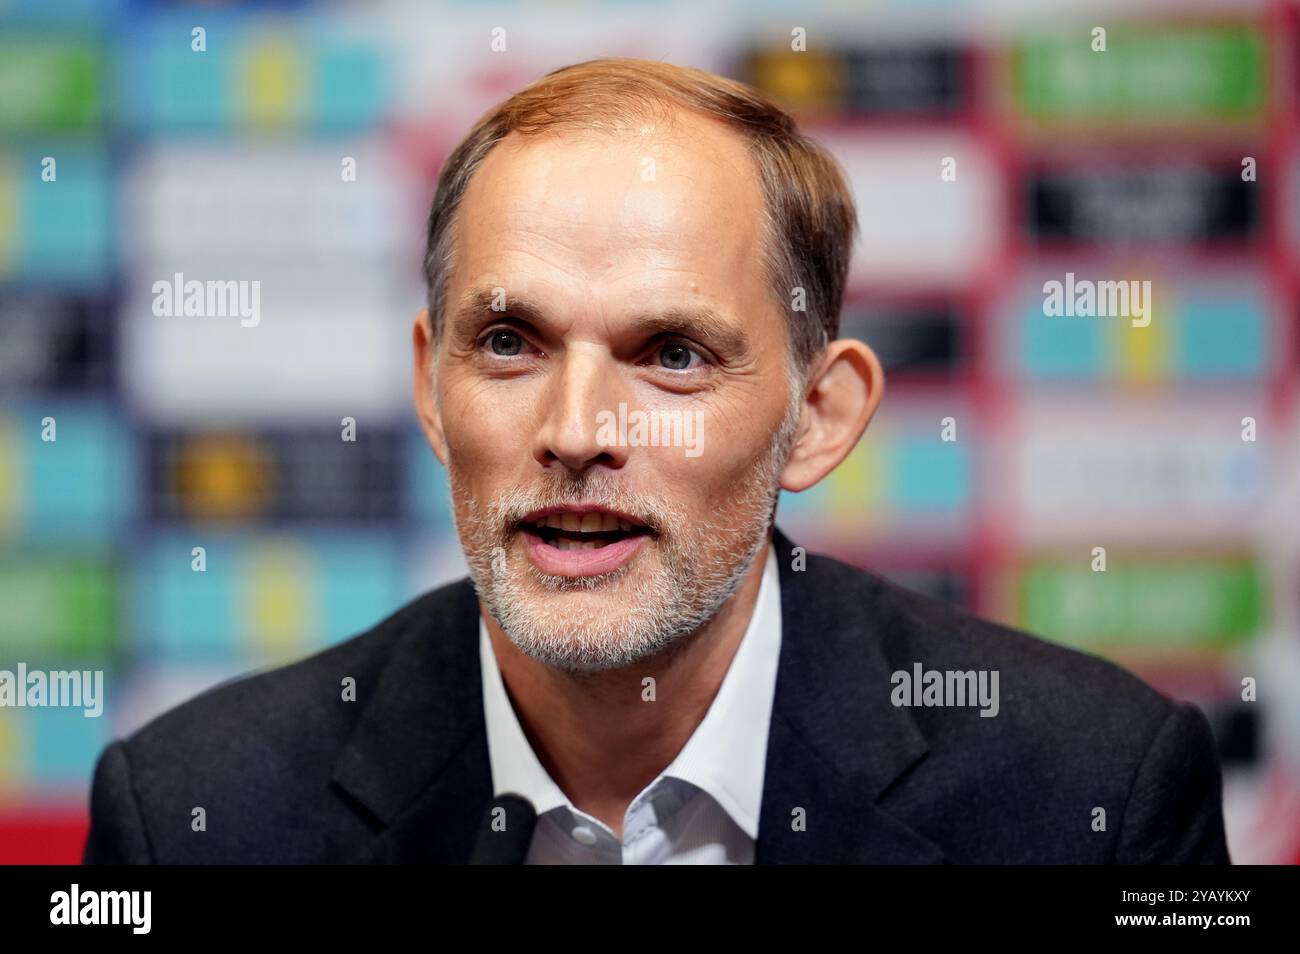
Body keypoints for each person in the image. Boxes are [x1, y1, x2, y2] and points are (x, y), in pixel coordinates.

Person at [83, 58, 1229, 864]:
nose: (577, 428)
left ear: (820, 416)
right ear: (434, 388)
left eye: (671, 353)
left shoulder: (1093, 794)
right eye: (509, 343)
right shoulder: (198, 812)